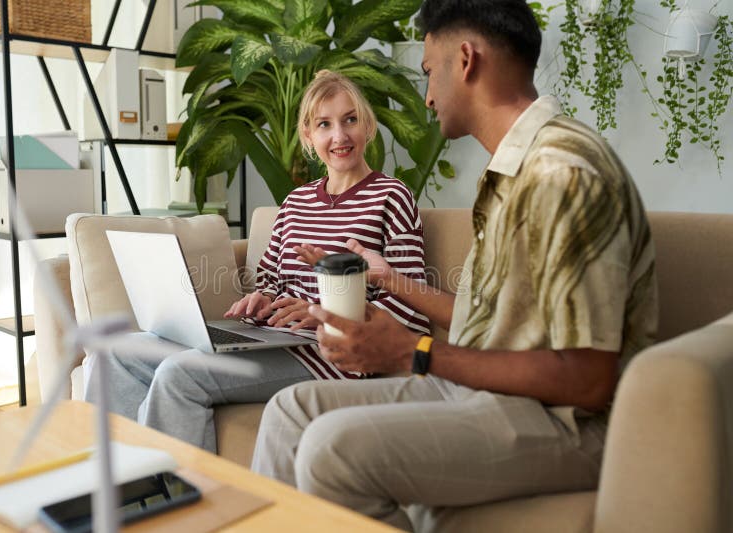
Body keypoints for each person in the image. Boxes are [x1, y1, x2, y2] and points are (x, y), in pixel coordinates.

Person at [250, 0, 658, 530]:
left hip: (567, 423)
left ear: (465, 60)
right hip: (490, 391)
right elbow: (481, 319)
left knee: (333, 448)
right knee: (289, 413)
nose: (427, 96)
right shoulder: (513, 169)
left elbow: (588, 381)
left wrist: (412, 351)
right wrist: (385, 273)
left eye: (428, 72)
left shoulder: (562, 174)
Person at [84, 70, 430, 452]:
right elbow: (270, 280)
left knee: (180, 374)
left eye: (350, 120)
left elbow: (410, 309)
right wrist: (260, 300)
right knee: (115, 351)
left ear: (367, 125)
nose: (339, 136)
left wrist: (320, 312)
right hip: (271, 339)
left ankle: (182, 500)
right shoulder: (295, 203)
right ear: (308, 137)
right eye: (324, 124)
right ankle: (119, 487)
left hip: (329, 356)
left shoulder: (392, 197)